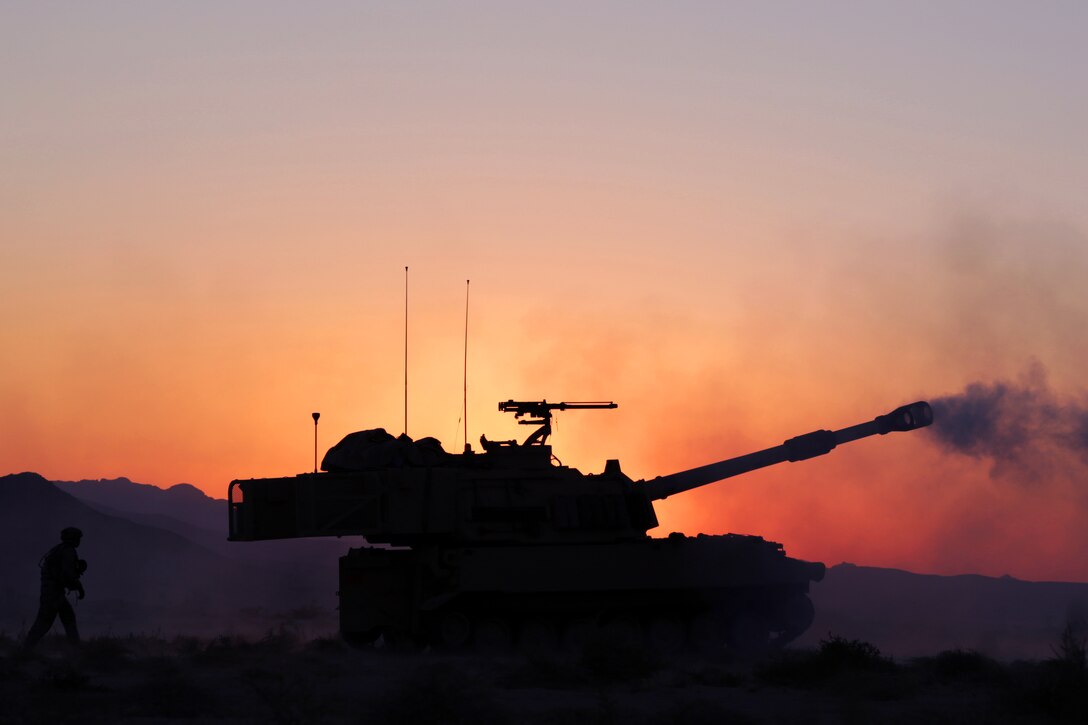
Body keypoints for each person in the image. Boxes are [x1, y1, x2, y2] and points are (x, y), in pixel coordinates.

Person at [23, 526, 87, 651]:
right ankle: (26, 649)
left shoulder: (58, 550)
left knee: (67, 618)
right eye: (78, 538)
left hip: (53, 593)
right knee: (44, 623)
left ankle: (76, 649)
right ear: (73, 538)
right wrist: (79, 587)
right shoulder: (68, 551)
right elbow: (67, 574)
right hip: (54, 594)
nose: (79, 541)